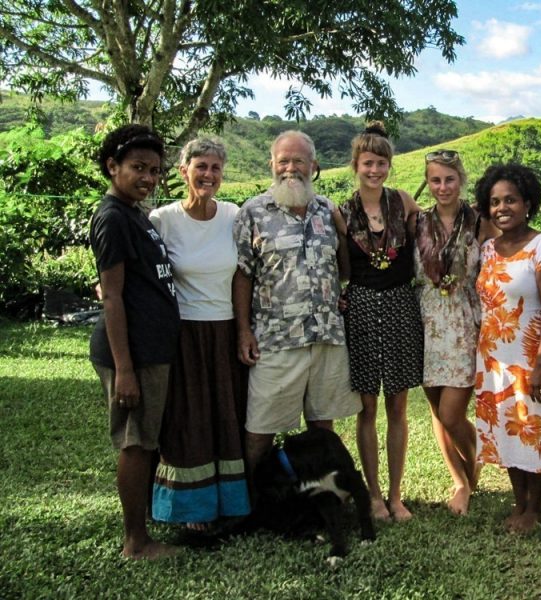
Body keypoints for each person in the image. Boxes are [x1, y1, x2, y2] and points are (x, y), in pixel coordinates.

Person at [232, 130, 360, 488]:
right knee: (262, 426)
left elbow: (344, 269)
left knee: (322, 424)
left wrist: (343, 245)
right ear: (272, 165)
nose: (291, 168)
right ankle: (253, 504)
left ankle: (320, 496)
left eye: (299, 161)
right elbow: (242, 275)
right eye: (283, 161)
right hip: (275, 339)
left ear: (313, 166)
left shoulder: (328, 210)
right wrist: (243, 330)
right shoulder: (253, 212)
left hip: (325, 336)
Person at [89, 124, 181, 559]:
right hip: (133, 353)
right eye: (138, 168)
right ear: (113, 167)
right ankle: (135, 541)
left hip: (153, 348)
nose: (148, 178)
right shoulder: (112, 218)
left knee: (147, 441)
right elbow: (112, 297)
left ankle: (144, 529)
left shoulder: (134, 215)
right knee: (136, 442)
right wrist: (124, 369)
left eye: (155, 171)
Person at [148, 138, 250, 529]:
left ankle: (230, 504)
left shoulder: (233, 216)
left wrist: (243, 330)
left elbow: (245, 275)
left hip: (224, 330)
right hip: (184, 334)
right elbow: (145, 273)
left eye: (215, 168)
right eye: (201, 167)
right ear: (183, 171)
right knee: (188, 417)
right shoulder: (163, 219)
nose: (208, 175)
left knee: (227, 414)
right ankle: (190, 511)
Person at [474, 163, 541, 533]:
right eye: (495, 201)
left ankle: (535, 507)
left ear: (528, 203)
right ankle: (519, 501)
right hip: (495, 359)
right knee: (506, 430)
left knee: (535, 429)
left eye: (511, 200)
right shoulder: (487, 250)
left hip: (533, 355)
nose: (503, 208)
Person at [340, 122, 423, 522]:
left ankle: (396, 494)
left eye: (382, 163)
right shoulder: (341, 211)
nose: (375, 170)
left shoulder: (403, 202)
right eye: (368, 163)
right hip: (360, 306)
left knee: (398, 405)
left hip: (400, 305)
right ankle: (372, 495)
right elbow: (340, 266)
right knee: (367, 407)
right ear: (356, 164)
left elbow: (430, 241)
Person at [410, 149, 490, 515]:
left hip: (463, 321)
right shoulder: (417, 222)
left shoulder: (479, 222)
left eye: (449, 179)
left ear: (461, 180)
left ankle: (474, 464)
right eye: (435, 179)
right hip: (425, 322)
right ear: (428, 181)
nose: (442, 187)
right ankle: (460, 481)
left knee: (452, 413)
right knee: (437, 412)